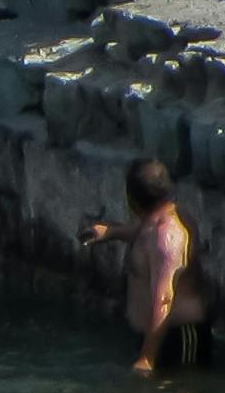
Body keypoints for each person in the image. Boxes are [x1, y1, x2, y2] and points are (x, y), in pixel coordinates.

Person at [81, 159, 211, 373]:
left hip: (178, 337)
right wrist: (111, 232)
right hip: (161, 336)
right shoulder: (159, 221)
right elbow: (143, 233)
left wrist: (146, 359)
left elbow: (164, 299)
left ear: (131, 198)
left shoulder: (167, 235)